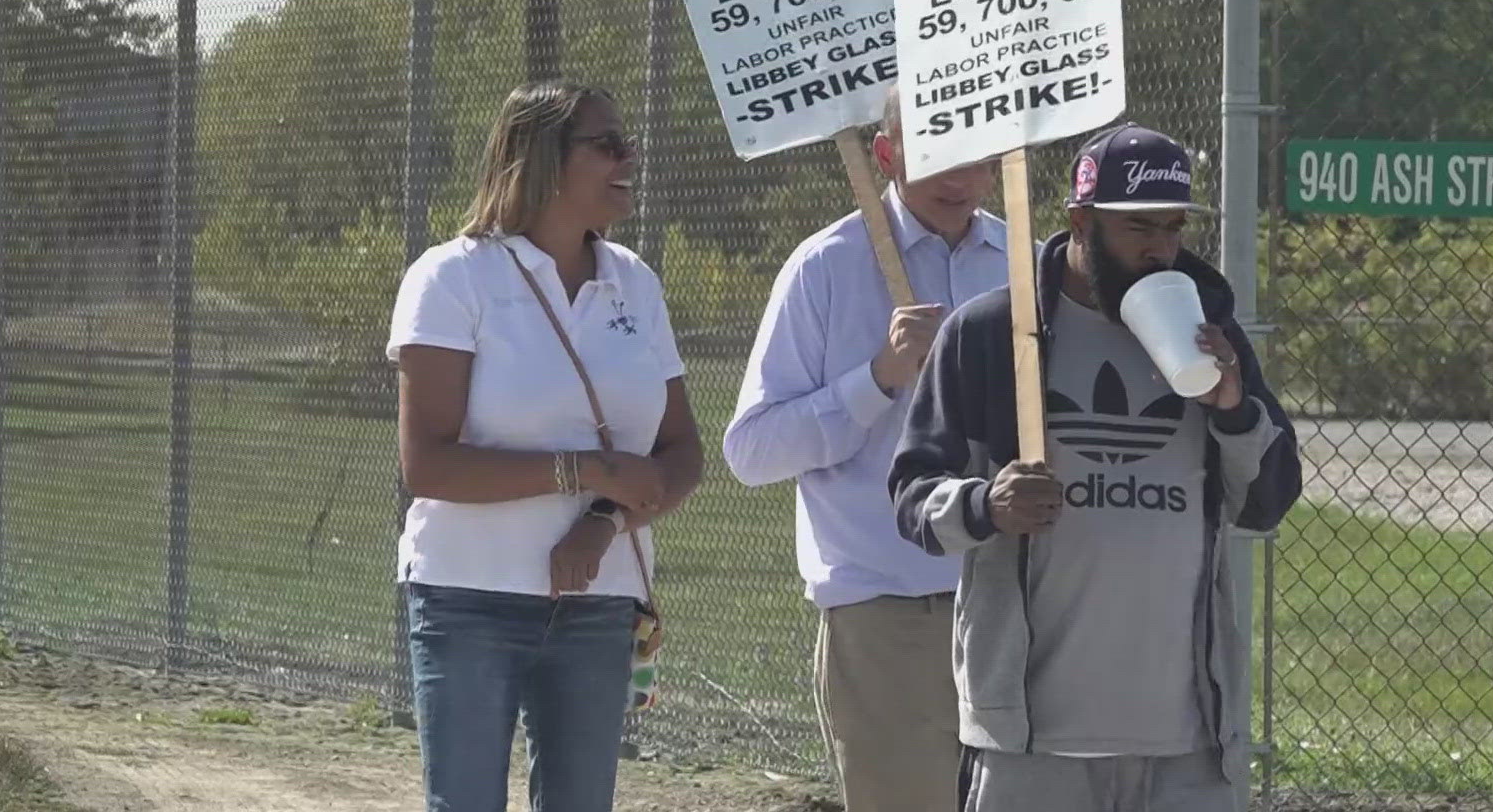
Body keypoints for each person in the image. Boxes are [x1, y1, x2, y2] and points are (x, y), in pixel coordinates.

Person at [889, 122, 1301, 812]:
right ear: (1080, 221)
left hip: (1188, 741)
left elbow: (1266, 502)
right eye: (1139, 227)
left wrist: (1232, 407)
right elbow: (912, 498)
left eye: (1173, 228)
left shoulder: (1212, 332)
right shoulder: (992, 333)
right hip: (1030, 741)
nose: (1161, 249)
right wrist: (987, 504)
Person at [386, 82, 703, 812]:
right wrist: (585, 471)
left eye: (627, 142)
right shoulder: (452, 276)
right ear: (540, 160)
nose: (630, 156)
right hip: (469, 599)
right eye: (607, 145)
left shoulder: (637, 284)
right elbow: (427, 464)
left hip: (600, 604)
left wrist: (604, 520)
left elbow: (681, 452)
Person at [723, 86, 1003, 812]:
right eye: (937, 146)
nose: (959, 175)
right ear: (886, 152)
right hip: (887, 615)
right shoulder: (825, 268)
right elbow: (753, 451)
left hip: (1015, 605)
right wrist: (877, 378)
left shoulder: (1025, 267)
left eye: (976, 150)